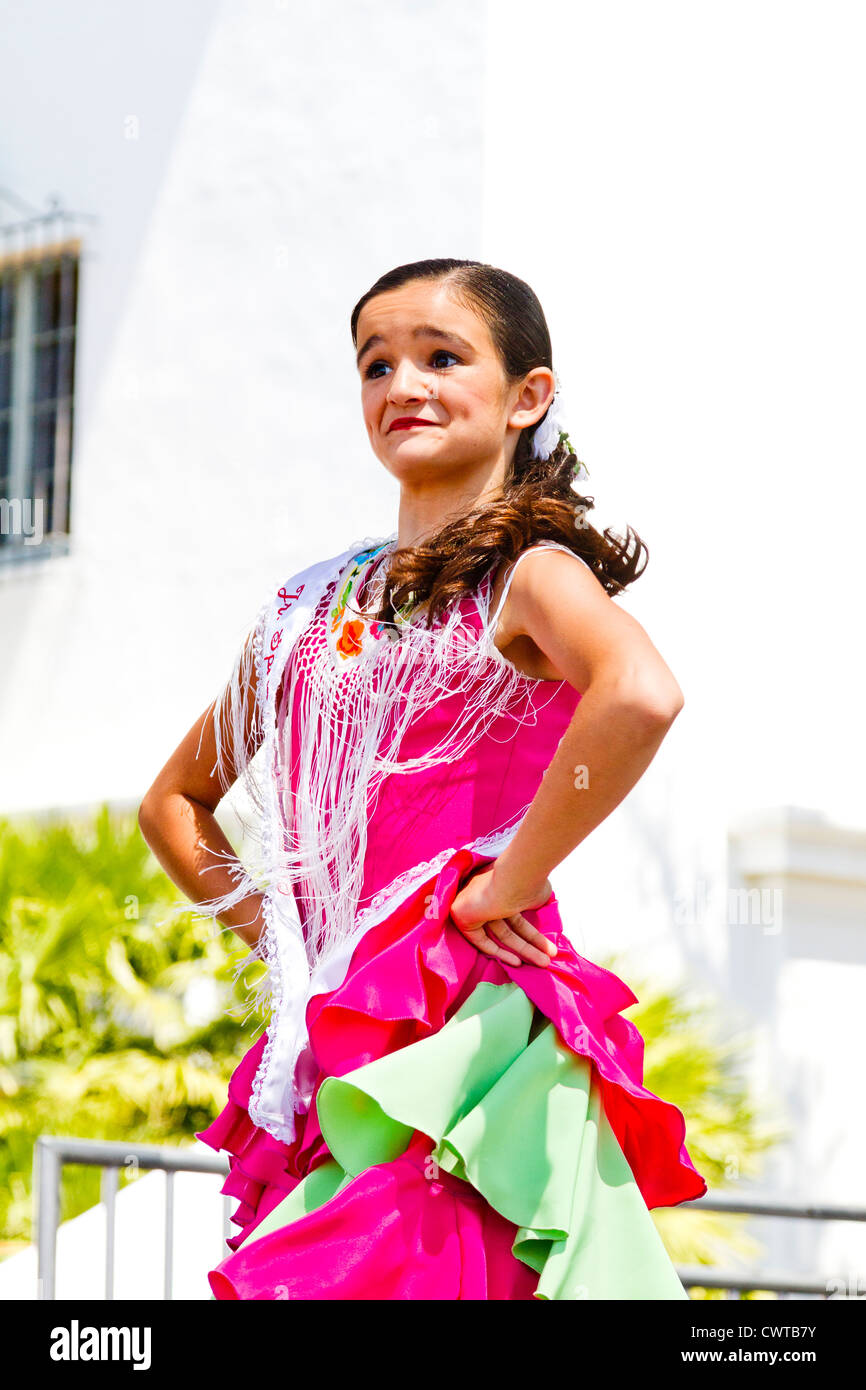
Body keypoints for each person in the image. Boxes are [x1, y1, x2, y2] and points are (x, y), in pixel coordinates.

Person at [138, 257, 707, 1301]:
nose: (403, 384)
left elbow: (637, 693)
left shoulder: (529, 573)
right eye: (376, 364)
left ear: (526, 395)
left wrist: (510, 878)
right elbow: (174, 804)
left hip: (464, 1029)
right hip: (326, 1032)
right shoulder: (308, 613)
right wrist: (284, 940)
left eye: (442, 357)